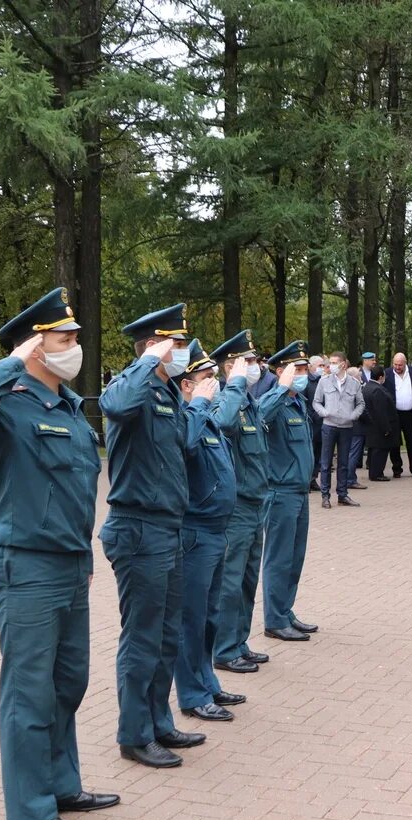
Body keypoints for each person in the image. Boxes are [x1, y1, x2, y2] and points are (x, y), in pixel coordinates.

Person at [0, 288, 118, 820]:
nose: (75, 348)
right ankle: (30, 808)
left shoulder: (66, 404)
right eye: (64, 340)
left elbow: (78, 491)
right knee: (29, 691)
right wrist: (9, 361)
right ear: (37, 348)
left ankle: (63, 785)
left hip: (69, 565)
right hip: (26, 567)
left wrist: (86, 556)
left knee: (69, 683)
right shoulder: (8, 403)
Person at [99, 303, 203, 769]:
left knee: (166, 635)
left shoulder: (166, 395)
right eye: (175, 346)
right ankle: (134, 734)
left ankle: (159, 721)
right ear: (154, 347)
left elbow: (184, 446)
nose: (181, 353)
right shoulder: (129, 389)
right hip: (137, 528)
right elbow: (117, 406)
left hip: (168, 526)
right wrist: (146, 360)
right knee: (141, 638)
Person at [172, 340, 247, 724]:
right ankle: (192, 693)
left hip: (216, 530)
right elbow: (185, 444)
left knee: (210, 615)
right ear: (187, 385)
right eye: (206, 378)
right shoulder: (188, 418)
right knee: (191, 616)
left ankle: (207, 680)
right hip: (195, 531)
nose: (212, 384)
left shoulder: (207, 418)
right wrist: (199, 404)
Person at [209, 330, 272, 676]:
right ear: (231, 366)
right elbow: (222, 423)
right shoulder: (226, 399)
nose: (255, 366)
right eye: (247, 362)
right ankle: (223, 648)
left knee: (248, 580)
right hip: (236, 508)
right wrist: (233, 384)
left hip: (256, 502)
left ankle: (239, 641)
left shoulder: (249, 402)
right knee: (230, 583)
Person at [257, 341, 318, 642]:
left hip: (299, 491)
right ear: (281, 372)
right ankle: (274, 619)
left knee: (295, 557)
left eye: (306, 369)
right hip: (279, 492)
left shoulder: (298, 403)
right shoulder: (274, 400)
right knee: (278, 558)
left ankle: (285, 610)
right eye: (298, 369)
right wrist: (280, 389)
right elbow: (259, 418)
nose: (304, 374)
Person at [313, 351, 365, 508]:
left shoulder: (354, 383)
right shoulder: (324, 382)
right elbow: (316, 402)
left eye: (335, 363)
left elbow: (361, 403)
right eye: (331, 363)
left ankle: (342, 495)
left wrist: (353, 416)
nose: (331, 366)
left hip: (346, 427)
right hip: (329, 426)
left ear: (343, 364)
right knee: (326, 462)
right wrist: (325, 413)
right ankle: (325, 496)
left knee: (343, 462)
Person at [384, 352, 412, 478]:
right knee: (394, 442)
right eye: (395, 364)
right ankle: (397, 468)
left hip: (410, 412)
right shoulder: (388, 373)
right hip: (394, 413)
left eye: (400, 365)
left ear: (405, 363)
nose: (397, 367)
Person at [362, 367, 400, 482]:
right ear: (380, 377)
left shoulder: (368, 387)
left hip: (372, 425)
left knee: (374, 450)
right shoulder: (377, 390)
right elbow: (381, 411)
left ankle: (374, 472)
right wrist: (386, 428)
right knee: (380, 451)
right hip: (379, 426)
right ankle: (377, 473)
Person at [304, 355, 324, 491]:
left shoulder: (323, 381)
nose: (322, 368)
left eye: (323, 365)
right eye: (319, 365)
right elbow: (304, 403)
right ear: (310, 367)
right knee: (309, 454)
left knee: (318, 453)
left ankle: (313, 478)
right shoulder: (305, 382)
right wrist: (313, 416)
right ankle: (306, 480)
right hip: (311, 423)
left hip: (323, 424)